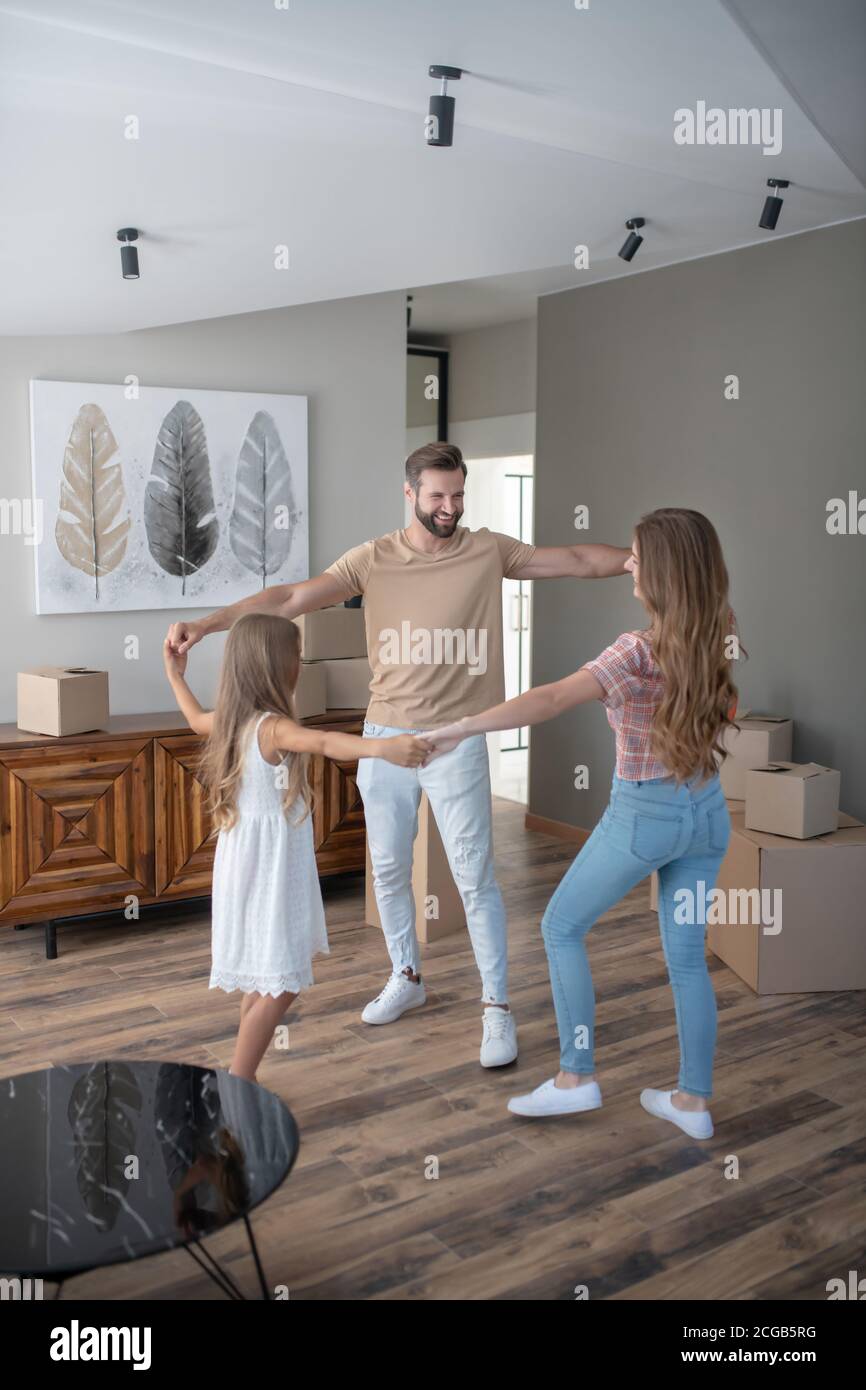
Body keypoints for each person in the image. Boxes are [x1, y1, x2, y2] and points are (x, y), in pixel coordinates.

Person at [167, 441, 630, 1069]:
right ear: (409, 493)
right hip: (384, 734)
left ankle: (497, 1008)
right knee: (386, 868)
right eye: (438, 495)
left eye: (458, 494)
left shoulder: (489, 550)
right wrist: (209, 623)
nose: (450, 507)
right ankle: (407, 976)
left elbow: (574, 558)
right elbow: (286, 601)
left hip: (457, 734)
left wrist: (634, 560)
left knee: (474, 875)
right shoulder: (372, 559)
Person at [422, 509, 736, 1139]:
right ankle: (692, 1103)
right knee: (687, 961)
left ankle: (576, 1078)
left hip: (644, 814)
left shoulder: (635, 650)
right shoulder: (717, 633)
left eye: (640, 559)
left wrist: (460, 726)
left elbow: (550, 699)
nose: (630, 566)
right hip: (707, 813)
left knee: (561, 926)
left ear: (667, 573)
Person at [163, 612, 429, 1082]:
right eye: (296, 656)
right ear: (275, 666)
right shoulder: (271, 727)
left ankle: (241, 1078)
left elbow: (192, 717)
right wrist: (385, 749)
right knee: (280, 983)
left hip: (242, 860)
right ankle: (238, 1083)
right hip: (270, 868)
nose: (300, 664)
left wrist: (174, 675)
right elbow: (325, 741)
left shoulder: (230, 720)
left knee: (268, 978)